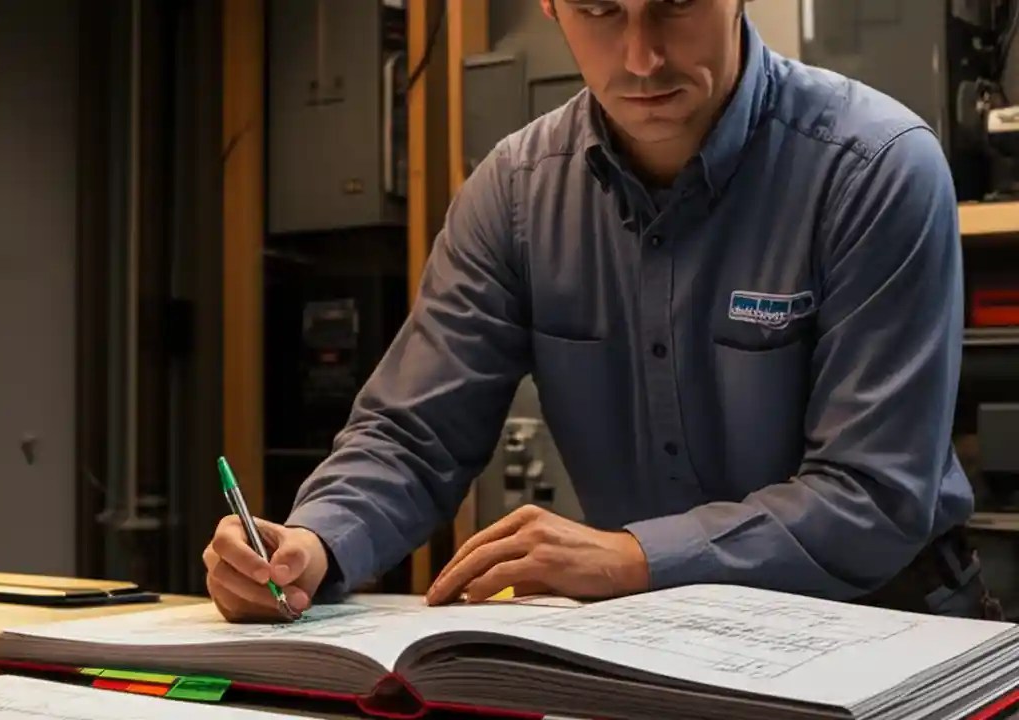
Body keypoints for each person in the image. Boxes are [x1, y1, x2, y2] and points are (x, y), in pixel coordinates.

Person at [204, 0, 1004, 622]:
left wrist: (628, 559)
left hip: (881, 629)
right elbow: (413, 436)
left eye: (674, 5)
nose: (642, 55)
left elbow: (872, 495)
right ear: (551, 6)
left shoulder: (877, 167)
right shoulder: (513, 195)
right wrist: (313, 544)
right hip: (653, 640)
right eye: (600, 11)